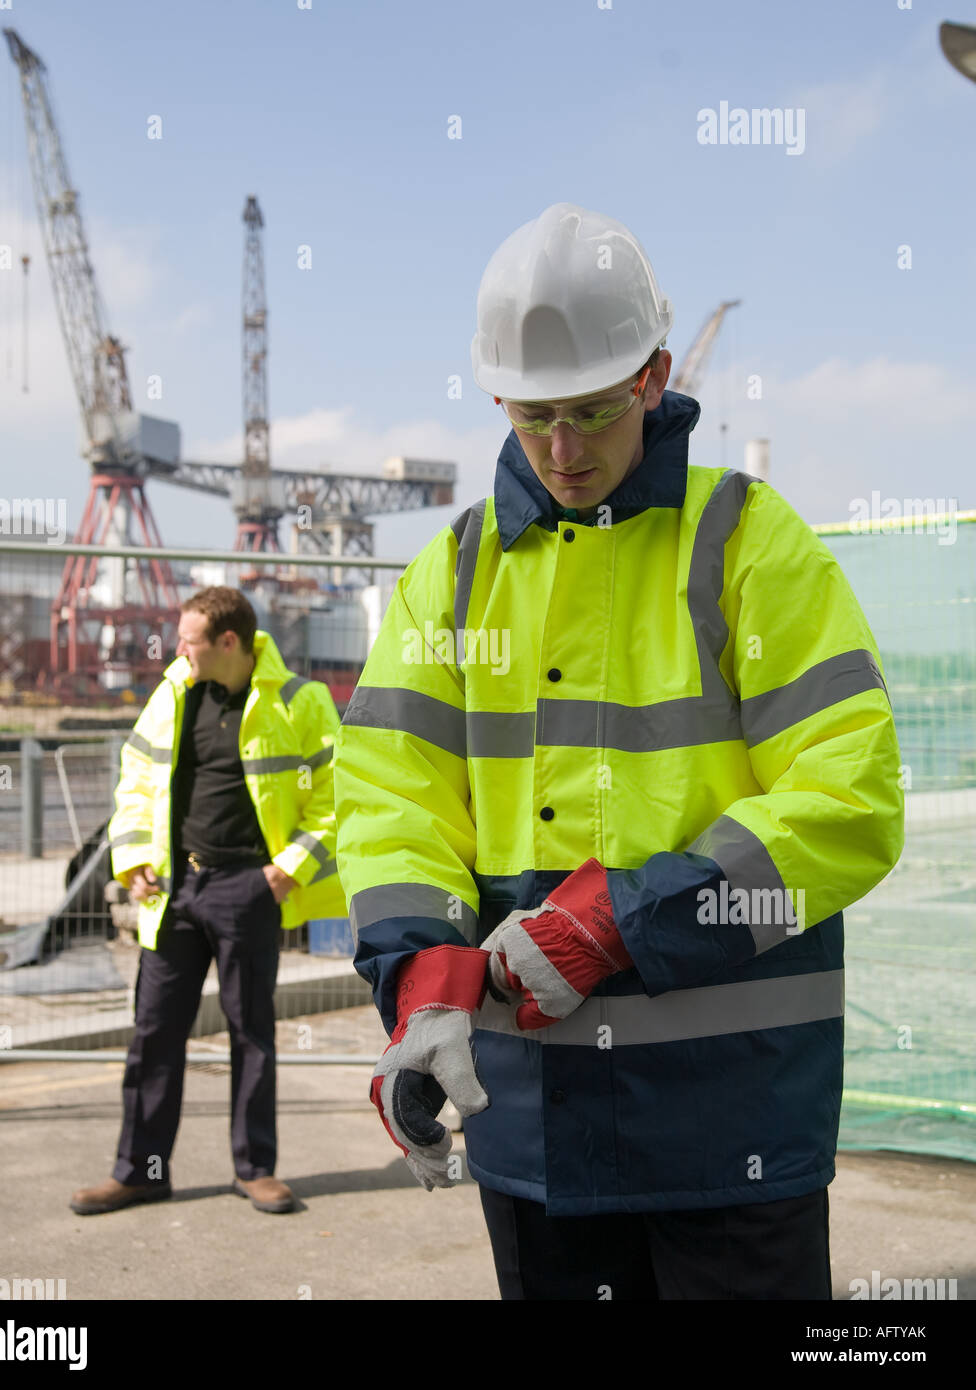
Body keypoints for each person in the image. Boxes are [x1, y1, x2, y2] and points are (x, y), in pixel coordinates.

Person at [333, 203, 905, 1299]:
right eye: (532, 415)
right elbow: (389, 798)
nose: (561, 451)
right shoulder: (448, 574)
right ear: (495, 396)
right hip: (531, 1130)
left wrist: (619, 917)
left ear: (650, 375)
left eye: (591, 413)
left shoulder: (746, 540)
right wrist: (419, 978)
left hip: (731, 1128)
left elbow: (851, 796)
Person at [70, 586, 345, 1216]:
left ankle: (254, 1169)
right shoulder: (171, 694)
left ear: (228, 642)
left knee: (251, 1032)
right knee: (154, 1033)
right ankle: (140, 1171)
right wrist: (133, 859)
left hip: (248, 888)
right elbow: (135, 780)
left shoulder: (300, 702)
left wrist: (283, 873)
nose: (177, 650)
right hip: (174, 892)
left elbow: (337, 796)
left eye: (188, 640)